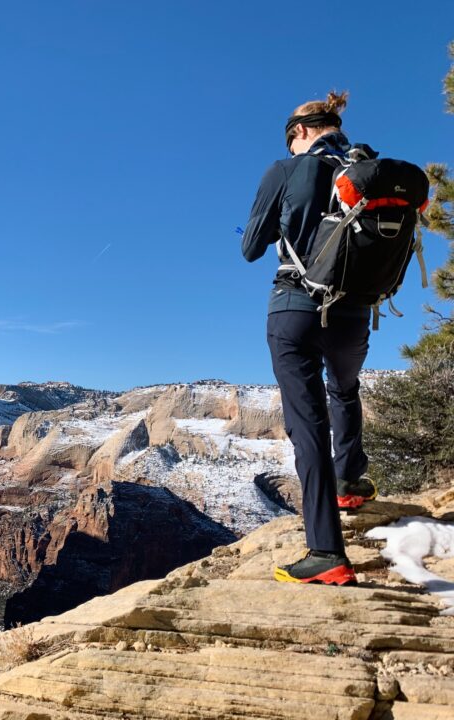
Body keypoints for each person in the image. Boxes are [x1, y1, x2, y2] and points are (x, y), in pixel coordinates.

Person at [241, 91, 378, 586]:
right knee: (345, 388)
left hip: (295, 309)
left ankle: (326, 552)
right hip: (355, 312)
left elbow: (250, 248)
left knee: (307, 426)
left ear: (299, 132)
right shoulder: (366, 167)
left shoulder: (284, 168)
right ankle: (351, 482)